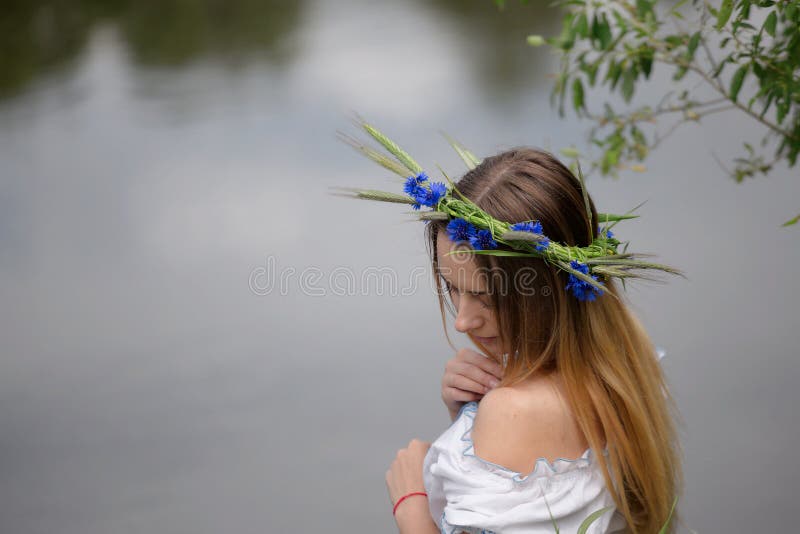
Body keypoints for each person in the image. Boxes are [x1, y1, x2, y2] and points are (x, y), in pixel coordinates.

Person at [381, 148, 684, 533]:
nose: (462, 322)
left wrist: (412, 504)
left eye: (488, 298)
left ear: (549, 289)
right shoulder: (627, 356)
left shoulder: (513, 413)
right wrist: (466, 416)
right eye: (452, 288)